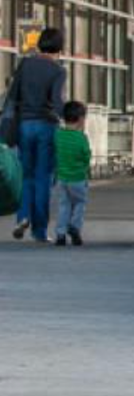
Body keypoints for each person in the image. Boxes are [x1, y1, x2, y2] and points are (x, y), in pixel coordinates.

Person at [8, 28, 67, 243]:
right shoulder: (58, 71)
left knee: (26, 175)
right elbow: (57, 102)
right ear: (60, 48)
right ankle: (40, 231)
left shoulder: (25, 64)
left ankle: (23, 217)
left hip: (24, 125)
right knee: (43, 177)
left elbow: (13, 94)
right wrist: (70, 119)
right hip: (46, 126)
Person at [54, 101, 91, 247]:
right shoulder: (81, 138)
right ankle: (74, 227)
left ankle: (60, 234)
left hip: (62, 178)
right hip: (78, 178)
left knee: (64, 205)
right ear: (81, 119)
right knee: (80, 203)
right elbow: (86, 157)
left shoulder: (58, 136)